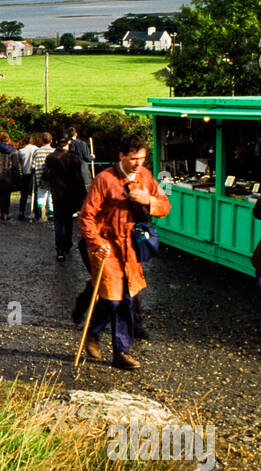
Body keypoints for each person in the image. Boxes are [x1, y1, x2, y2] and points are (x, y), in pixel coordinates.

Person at [79, 135, 170, 369]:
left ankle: (121, 352)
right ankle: (93, 332)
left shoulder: (146, 177)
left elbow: (164, 205)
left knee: (128, 300)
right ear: (121, 156)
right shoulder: (104, 179)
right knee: (112, 299)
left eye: (141, 158)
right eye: (133, 159)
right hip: (106, 248)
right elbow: (86, 216)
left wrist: (149, 200)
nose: (138, 163)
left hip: (131, 249)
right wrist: (96, 242)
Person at [45, 128, 85, 261]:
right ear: (69, 141)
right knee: (68, 221)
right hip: (70, 194)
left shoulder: (50, 158)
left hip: (56, 194)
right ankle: (67, 244)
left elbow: (47, 176)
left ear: (56, 141)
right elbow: (79, 180)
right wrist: (83, 196)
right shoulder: (73, 159)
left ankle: (59, 248)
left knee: (58, 221)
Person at [0, 132, 22, 222]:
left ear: (0, 140)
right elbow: (15, 166)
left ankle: (2, 211)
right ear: (8, 140)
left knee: (0, 194)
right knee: (7, 195)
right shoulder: (13, 150)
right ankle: (6, 213)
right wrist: (17, 179)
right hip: (9, 175)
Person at [33, 131, 54, 220]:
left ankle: (42, 208)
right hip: (52, 177)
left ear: (41, 140)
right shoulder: (54, 151)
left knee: (41, 195)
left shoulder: (37, 151)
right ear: (51, 141)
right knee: (51, 195)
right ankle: (51, 212)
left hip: (40, 177)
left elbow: (33, 166)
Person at [17, 136, 38, 220]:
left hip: (25, 173)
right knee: (35, 193)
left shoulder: (21, 151)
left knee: (24, 194)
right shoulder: (37, 149)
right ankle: (36, 212)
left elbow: (20, 163)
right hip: (35, 174)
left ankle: (21, 212)